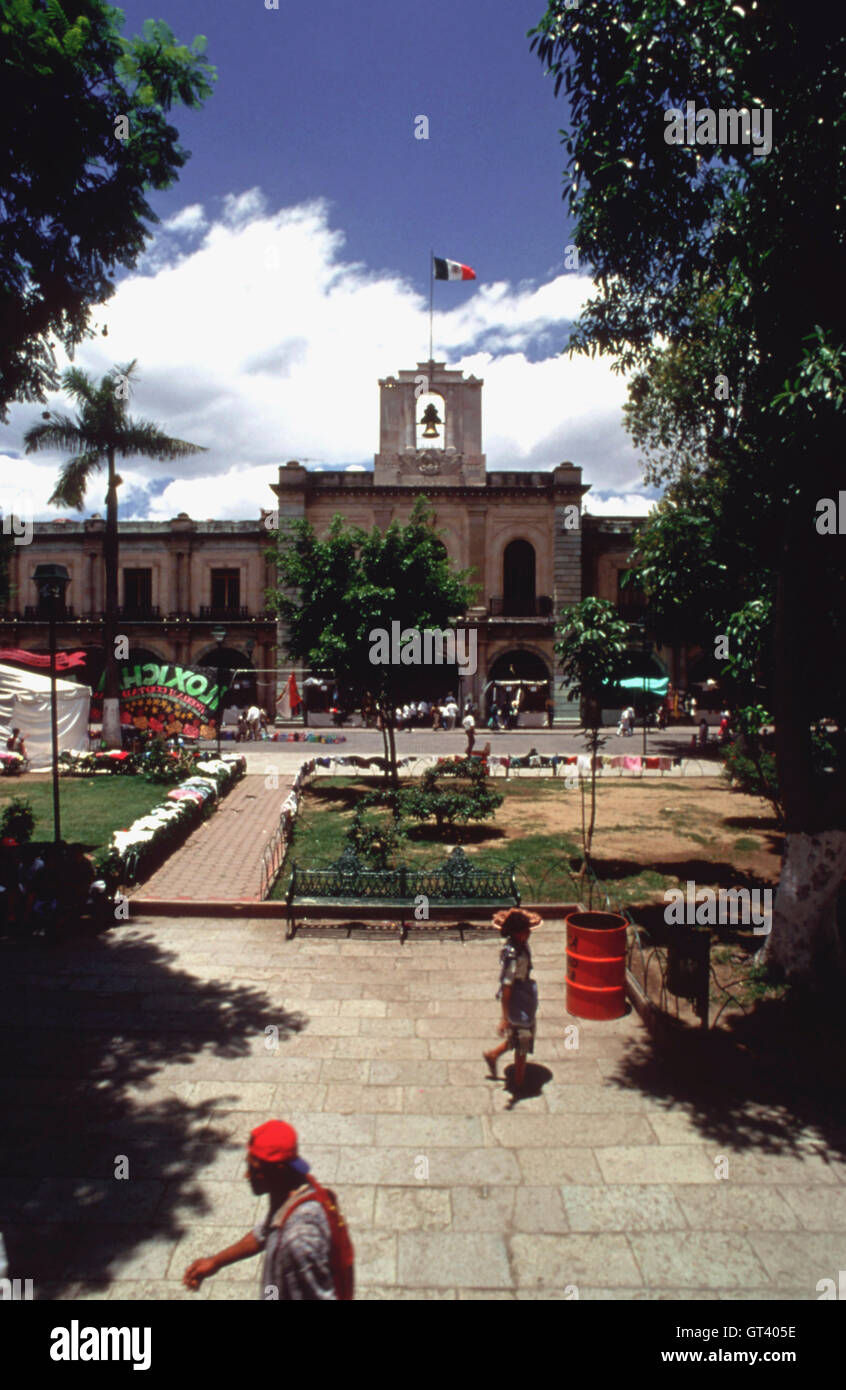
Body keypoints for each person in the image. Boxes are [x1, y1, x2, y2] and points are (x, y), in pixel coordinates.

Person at [182, 1120, 347, 1300]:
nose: (247, 1175)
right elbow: (265, 1233)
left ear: (278, 1170)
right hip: (274, 1291)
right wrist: (215, 1262)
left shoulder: (299, 1239)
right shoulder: (290, 1191)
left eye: (254, 1169)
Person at [483, 908, 542, 1094]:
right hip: (517, 999)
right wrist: (504, 1017)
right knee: (523, 1040)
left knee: (520, 1035)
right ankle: (519, 1083)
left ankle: (493, 1054)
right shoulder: (512, 956)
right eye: (525, 931)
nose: (528, 934)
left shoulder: (521, 946)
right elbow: (507, 986)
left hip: (525, 994)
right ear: (516, 933)